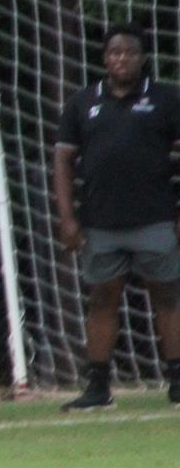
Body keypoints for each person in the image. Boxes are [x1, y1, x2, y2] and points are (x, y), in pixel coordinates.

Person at [50, 21, 180, 410]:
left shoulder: (167, 99)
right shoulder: (82, 102)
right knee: (102, 299)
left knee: (168, 296)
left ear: (142, 58)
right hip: (100, 221)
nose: (121, 58)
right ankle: (97, 387)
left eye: (129, 52)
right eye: (114, 52)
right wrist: (68, 218)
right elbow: (62, 160)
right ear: (105, 58)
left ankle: (177, 380)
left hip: (156, 218)